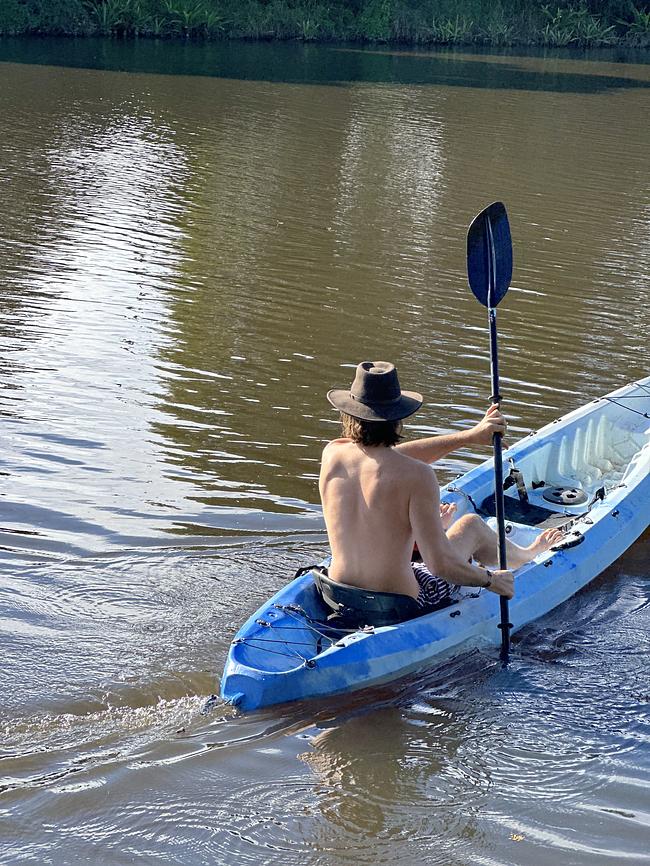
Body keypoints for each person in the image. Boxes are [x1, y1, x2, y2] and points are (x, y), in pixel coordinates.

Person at [319, 361, 564, 611]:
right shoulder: (417, 475)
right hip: (400, 603)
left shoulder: (332, 454)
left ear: (349, 413)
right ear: (398, 418)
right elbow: (440, 566)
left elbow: (384, 459)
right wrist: (490, 580)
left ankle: (440, 533)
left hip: (338, 591)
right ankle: (526, 556)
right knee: (471, 526)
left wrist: (469, 437)